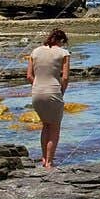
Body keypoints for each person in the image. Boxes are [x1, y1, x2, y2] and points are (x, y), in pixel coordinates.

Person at [26, 27, 70, 169]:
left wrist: (38, 86)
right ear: (61, 40)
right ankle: (50, 163)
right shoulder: (63, 53)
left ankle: (44, 158)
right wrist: (61, 91)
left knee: (45, 125)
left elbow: (29, 76)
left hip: (36, 92)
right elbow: (65, 77)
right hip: (53, 91)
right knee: (55, 128)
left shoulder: (35, 52)